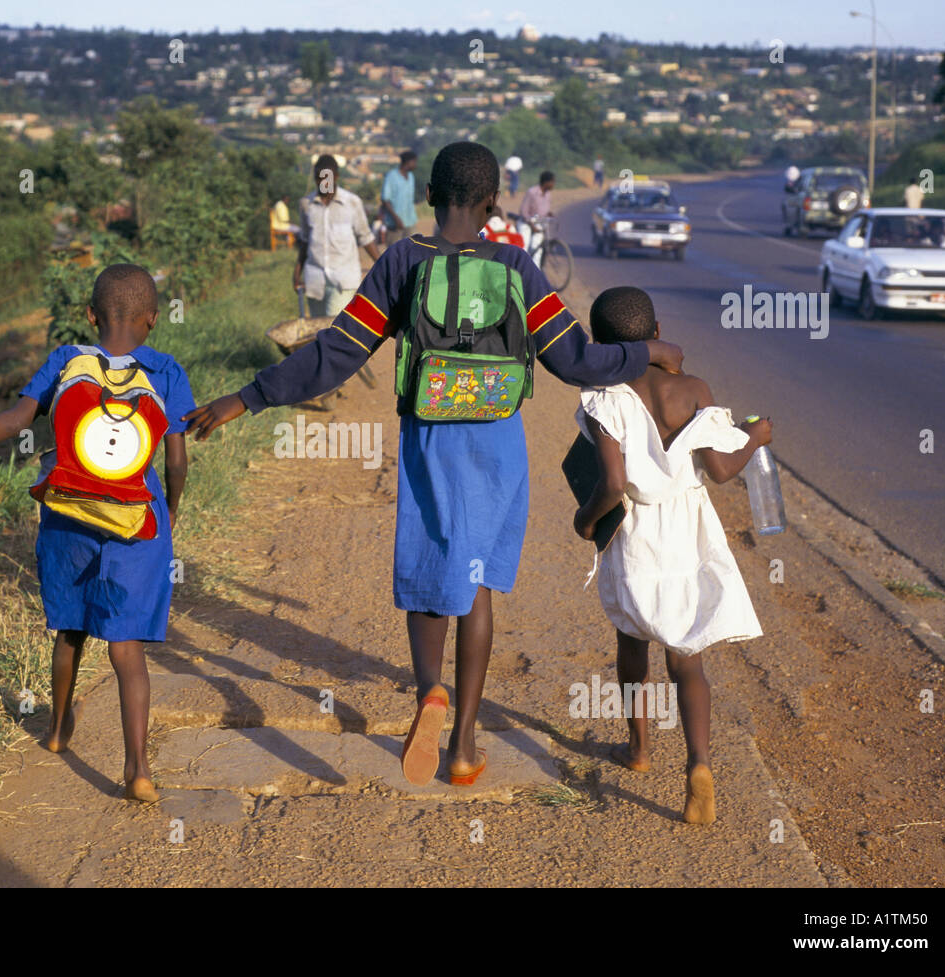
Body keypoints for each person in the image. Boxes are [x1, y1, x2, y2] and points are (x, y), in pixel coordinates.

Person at [185, 142, 684, 788]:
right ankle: (466, 744)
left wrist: (246, 397)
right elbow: (576, 361)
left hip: (430, 437)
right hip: (498, 445)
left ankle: (430, 695)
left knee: (429, 574)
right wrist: (646, 352)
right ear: (490, 204)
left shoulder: (402, 262)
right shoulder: (514, 266)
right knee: (474, 582)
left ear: (428, 197)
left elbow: (336, 352)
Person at [0, 264, 195, 804]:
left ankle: (57, 731)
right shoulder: (168, 371)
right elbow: (176, 460)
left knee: (70, 630)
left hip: (68, 515)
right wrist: (168, 512)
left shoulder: (65, 360)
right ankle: (138, 769)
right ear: (153, 319)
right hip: (136, 520)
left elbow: (15, 423)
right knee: (126, 649)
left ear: (89, 316)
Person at [571, 286, 769, 825]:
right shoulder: (693, 389)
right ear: (658, 330)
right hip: (687, 531)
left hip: (636, 534)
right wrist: (755, 436)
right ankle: (699, 764)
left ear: (601, 343)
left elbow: (612, 484)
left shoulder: (602, 398)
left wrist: (586, 521)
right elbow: (725, 470)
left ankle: (637, 749)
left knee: (632, 642)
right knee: (687, 658)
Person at [297, 154, 383, 317]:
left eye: (327, 177)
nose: (323, 183)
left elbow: (365, 237)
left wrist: (383, 267)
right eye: (318, 178)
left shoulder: (351, 203)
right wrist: (297, 273)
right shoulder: (306, 205)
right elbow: (304, 241)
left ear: (336, 176)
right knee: (317, 331)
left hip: (343, 280)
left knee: (333, 330)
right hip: (315, 280)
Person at [379, 149, 420, 246]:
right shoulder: (391, 176)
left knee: (413, 250)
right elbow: (385, 200)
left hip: (410, 221)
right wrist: (396, 218)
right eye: (414, 162)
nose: (416, 165)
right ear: (408, 162)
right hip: (395, 224)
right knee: (394, 253)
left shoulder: (411, 176)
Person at [518, 170, 555, 256]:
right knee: (524, 247)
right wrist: (531, 225)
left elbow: (543, 209)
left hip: (539, 222)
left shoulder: (548, 194)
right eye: (552, 182)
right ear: (546, 182)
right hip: (526, 222)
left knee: (537, 248)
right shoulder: (532, 192)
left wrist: (548, 213)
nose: (553, 184)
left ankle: (535, 269)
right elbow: (523, 211)